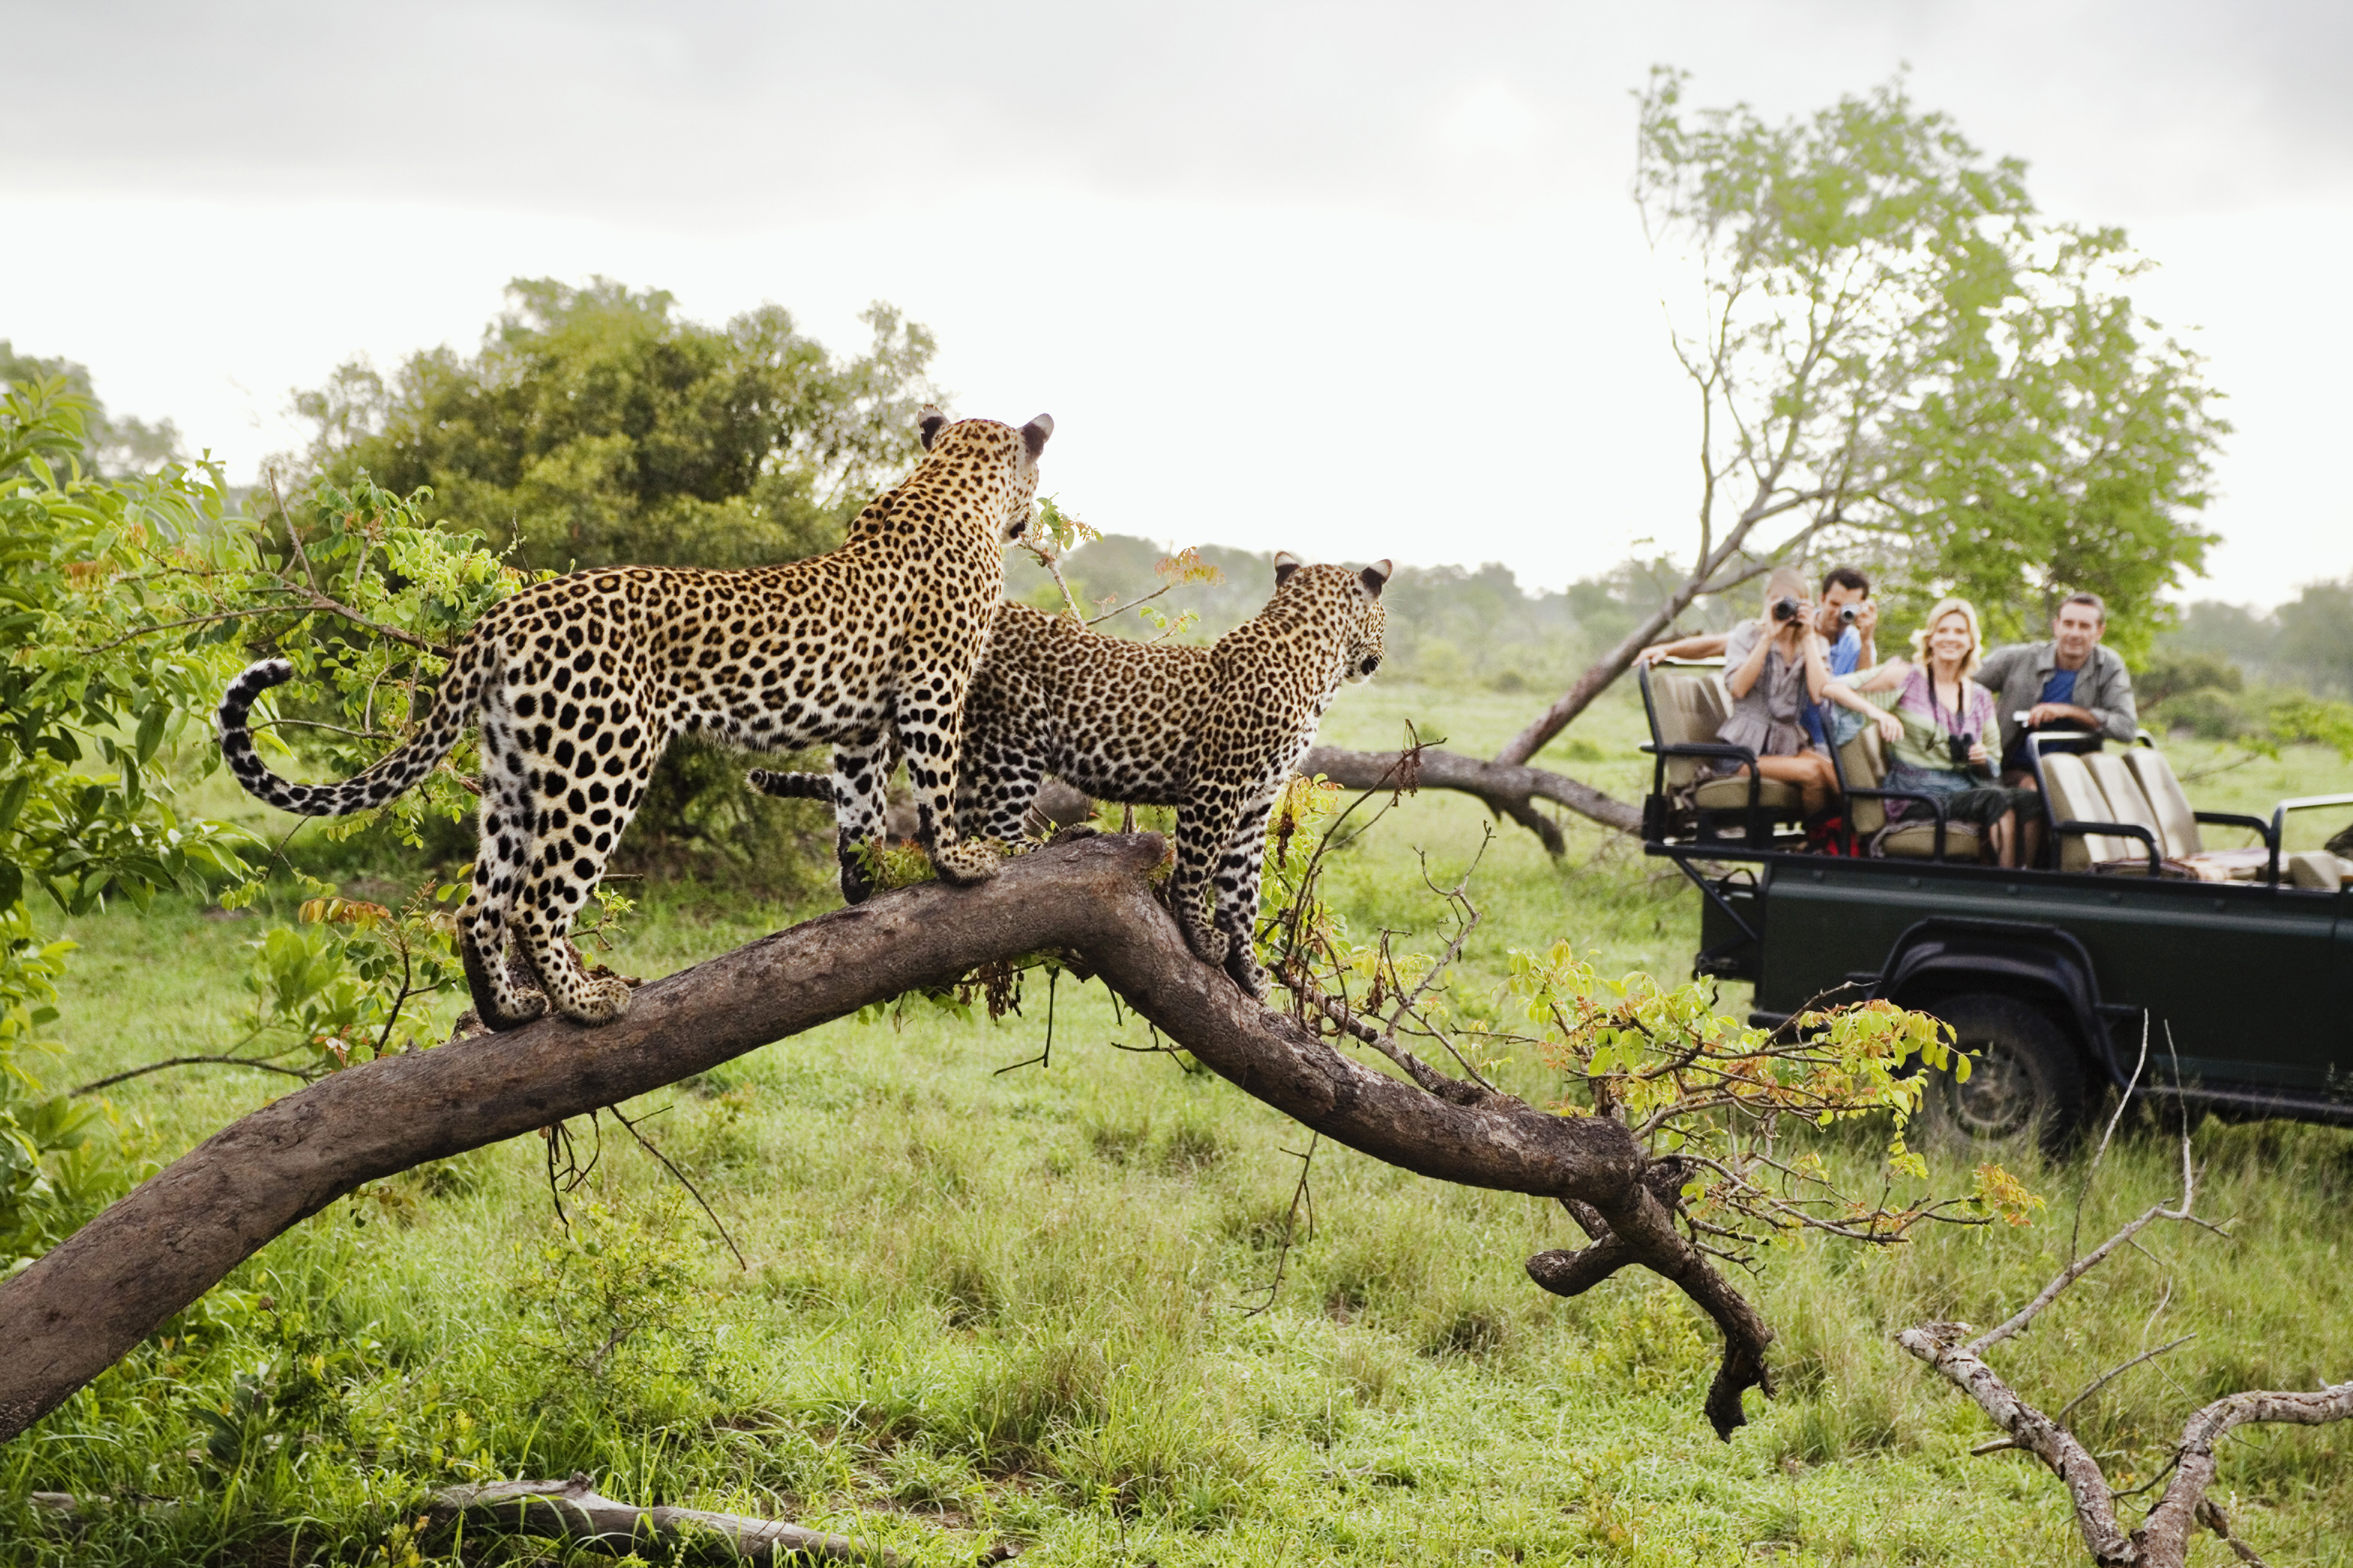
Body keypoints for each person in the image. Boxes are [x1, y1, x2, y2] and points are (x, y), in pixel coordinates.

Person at [1828, 598, 2039, 867]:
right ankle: (2006, 890)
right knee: (1994, 800)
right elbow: (1832, 688)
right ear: (1930, 638)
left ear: (1971, 642)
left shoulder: (1981, 697)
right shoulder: (1906, 677)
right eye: (1943, 631)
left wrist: (1980, 759)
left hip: (1963, 789)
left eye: (1959, 632)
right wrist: (1879, 714)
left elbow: (1994, 766)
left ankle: (2026, 881)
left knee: (2030, 801)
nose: (1950, 638)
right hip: (1916, 795)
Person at [1639, 566, 1879, 748]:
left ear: (1861, 608)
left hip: (1831, 737)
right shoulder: (1792, 624)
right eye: (1834, 604)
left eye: (1849, 608)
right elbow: (1720, 644)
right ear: (1821, 599)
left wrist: (1867, 641)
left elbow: (1865, 688)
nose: (1839, 614)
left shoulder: (1857, 644)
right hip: (1791, 735)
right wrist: (1669, 650)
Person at [1709, 568, 1843, 846]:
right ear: (1767, 602)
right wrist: (1768, 637)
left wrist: (1808, 637)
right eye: (1778, 601)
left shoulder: (1814, 642)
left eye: (1793, 603)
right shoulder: (1748, 634)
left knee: (1836, 774)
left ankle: (1844, 842)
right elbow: (1738, 688)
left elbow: (1820, 696)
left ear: (1806, 606)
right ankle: (1820, 845)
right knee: (1811, 773)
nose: (1785, 609)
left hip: (1786, 746)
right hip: (1742, 752)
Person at [1977, 592, 2139, 784]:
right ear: (2057, 626)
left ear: (2100, 632)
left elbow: (2126, 728)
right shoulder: (2018, 659)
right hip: (2012, 769)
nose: (2075, 633)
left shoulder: (2109, 666)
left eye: (2085, 626)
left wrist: (2068, 712)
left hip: (2076, 774)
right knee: (2037, 793)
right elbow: (1958, 681)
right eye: (2068, 624)